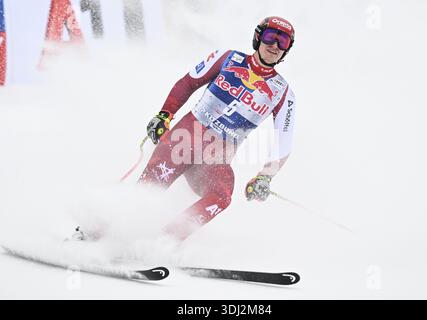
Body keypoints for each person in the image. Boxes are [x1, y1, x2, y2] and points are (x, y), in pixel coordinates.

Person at [73, 16, 297, 243]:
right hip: (185, 139)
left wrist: (265, 177)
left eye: (283, 42)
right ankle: (90, 233)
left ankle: (163, 243)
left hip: (215, 158)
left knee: (221, 196)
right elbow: (188, 83)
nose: (275, 46)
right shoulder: (228, 58)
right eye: (271, 37)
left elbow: (284, 139)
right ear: (258, 38)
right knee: (147, 191)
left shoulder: (283, 92)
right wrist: (164, 115)